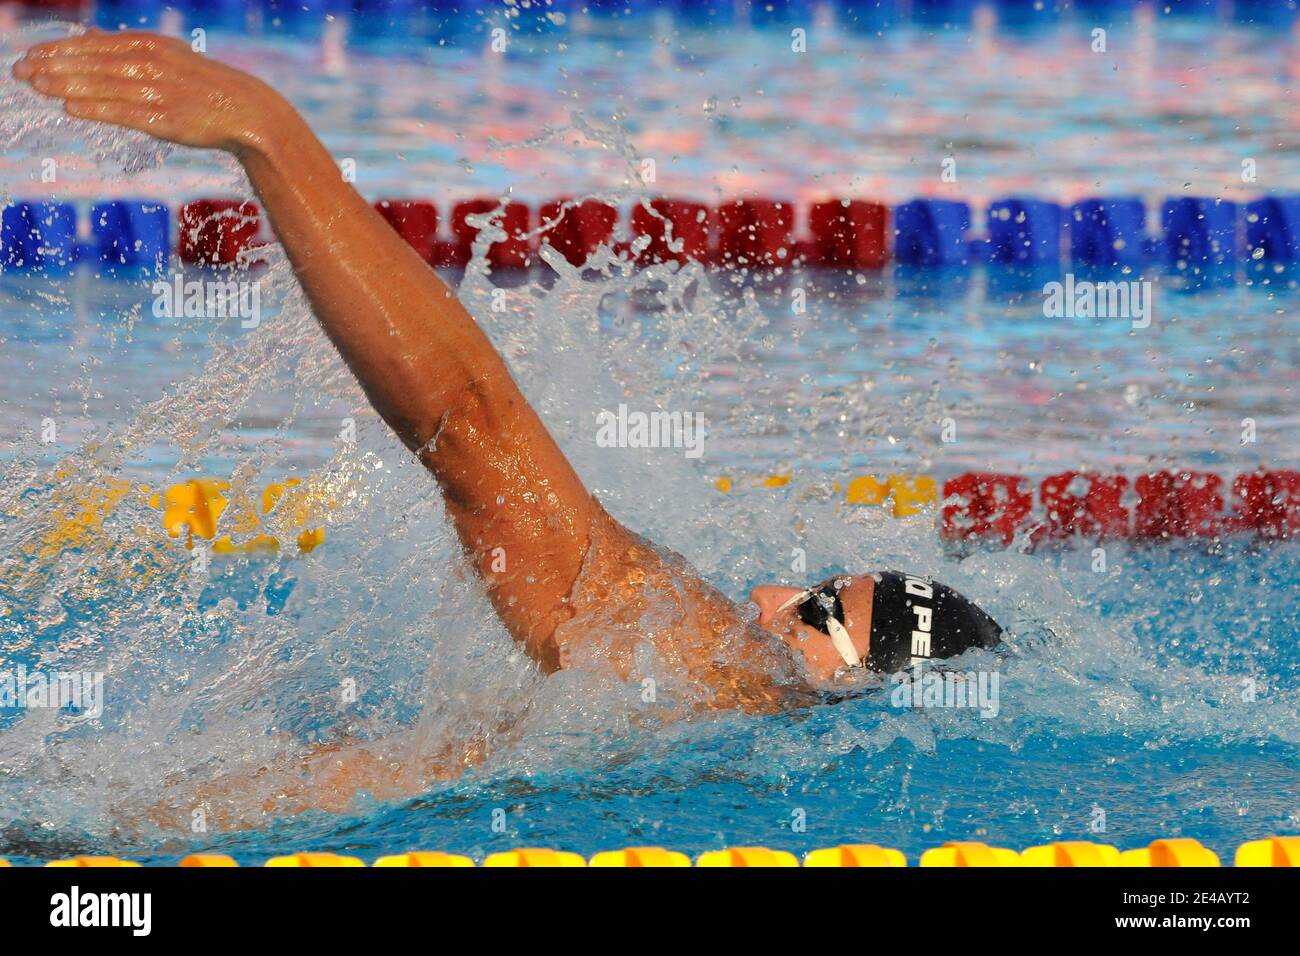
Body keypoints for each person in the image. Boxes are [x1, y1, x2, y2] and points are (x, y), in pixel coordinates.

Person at [13, 31, 1003, 816]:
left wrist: (266, 129)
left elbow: (466, 424)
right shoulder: (724, 745)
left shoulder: (717, 675)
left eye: (818, 614)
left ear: (862, 699)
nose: (773, 590)